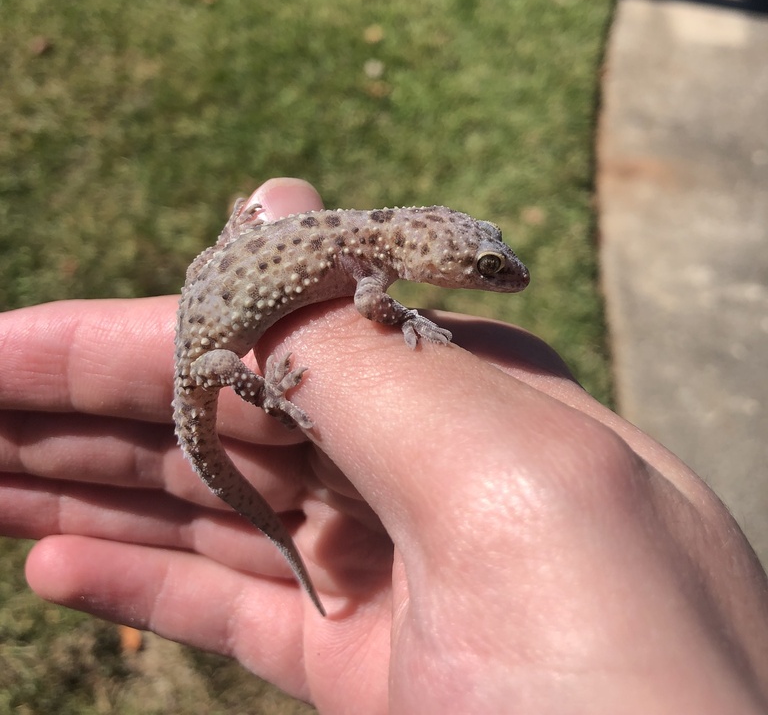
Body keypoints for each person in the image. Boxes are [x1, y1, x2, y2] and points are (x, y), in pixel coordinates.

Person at [1, 176, 767, 714]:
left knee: (231, 274)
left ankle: (277, 512)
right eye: (483, 269)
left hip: (212, 283)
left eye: (488, 259)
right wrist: (278, 390)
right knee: (233, 390)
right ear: (426, 251)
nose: (499, 276)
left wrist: (243, 239)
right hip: (207, 348)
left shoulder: (371, 240)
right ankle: (269, 431)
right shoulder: (370, 276)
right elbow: (372, 308)